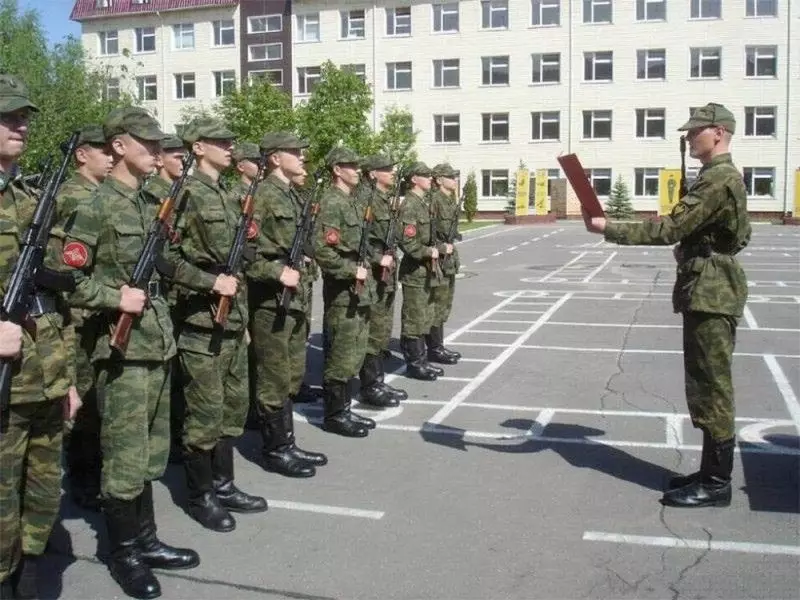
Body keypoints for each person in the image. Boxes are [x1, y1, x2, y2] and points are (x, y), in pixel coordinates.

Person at [61, 107, 201, 599]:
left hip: (155, 343)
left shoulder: (147, 205)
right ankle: (123, 555)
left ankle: (147, 539)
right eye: (150, 144)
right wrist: (113, 298)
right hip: (119, 352)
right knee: (124, 457)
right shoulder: (94, 206)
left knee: (151, 452)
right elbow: (65, 279)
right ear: (119, 145)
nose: (159, 153)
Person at [582, 102, 750, 508]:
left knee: (712, 386)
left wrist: (610, 229)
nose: (689, 137)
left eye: (696, 131)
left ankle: (716, 483)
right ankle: (711, 472)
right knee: (704, 381)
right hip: (707, 286)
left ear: (718, 133)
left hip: (711, 290)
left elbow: (672, 229)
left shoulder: (718, 179)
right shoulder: (714, 177)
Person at [0, 73, 81, 600]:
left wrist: (69, 378)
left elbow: (61, 298)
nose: (21, 125)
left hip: (46, 375)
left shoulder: (31, 195)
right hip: (5, 387)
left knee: (43, 496)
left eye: (24, 116)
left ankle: (27, 581)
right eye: (9, 117)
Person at [170, 118, 267, 531]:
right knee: (203, 413)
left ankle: (224, 484)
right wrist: (210, 282)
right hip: (200, 321)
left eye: (231, 141)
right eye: (220, 141)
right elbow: (164, 259)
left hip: (232, 319)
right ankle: (201, 494)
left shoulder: (228, 194)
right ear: (197, 148)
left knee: (232, 408)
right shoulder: (184, 194)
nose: (230, 147)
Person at [245, 132, 328, 475]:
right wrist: (276, 272)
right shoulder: (261, 196)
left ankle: (287, 443)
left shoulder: (293, 196)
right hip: (270, 304)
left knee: (291, 374)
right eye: (295, 151)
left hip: (293, 299)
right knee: (273, 378)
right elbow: (245, 255)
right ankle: (275, 450)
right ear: (276, 158)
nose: (302, 156)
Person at [56, 124, 113, 512]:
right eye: (103, 151)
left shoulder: (102, 195)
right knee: (80, 402)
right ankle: (82, 478)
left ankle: (95, 471)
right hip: (77, 316)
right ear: (82, 154)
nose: (111, 157)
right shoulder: (71, 198)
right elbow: (67, 267)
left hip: (101, 313)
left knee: (96, 397)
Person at [313, 146, 377, 437]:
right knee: (340, 355)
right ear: (337, 170)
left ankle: (345, 409)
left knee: (353, 353)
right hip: (343, 294)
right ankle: (334, 415)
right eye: (350, 166)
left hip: (360, 291)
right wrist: (351, 271)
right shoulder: (331, 202)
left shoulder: (350, 201)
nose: (357, 170)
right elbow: (322, 250)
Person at [356, 154, 408, 405]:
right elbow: (359, 240)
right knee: (373, 331)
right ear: (373, 173)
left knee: (382, 330)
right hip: (375, 275)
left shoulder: (384, 199)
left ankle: (378, 382)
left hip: (386, 275)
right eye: (386, 169)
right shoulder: (365, 200)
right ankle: (369, 386)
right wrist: (377, 259)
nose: (392, 172)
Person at [397, 162, 445, 381]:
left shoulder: (422, 203)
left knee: (425, 315)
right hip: (415, 271)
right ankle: (415, 364)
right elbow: (407, 242)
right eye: (425, 175)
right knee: (414, 319)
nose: (429, 179)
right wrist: (429, 251)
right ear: (414, 179)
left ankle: (422, 359)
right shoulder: (410, 205)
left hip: (426, 270)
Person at [428, 163, 463, 365]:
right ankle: (434, 348)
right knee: (438, 304)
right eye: (450, 177)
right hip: (440, 259)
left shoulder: (449, 200)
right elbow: (433, 231)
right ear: (439, 179)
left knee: (444, 305)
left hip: (449, 259)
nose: (454, 180)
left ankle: (438, 345)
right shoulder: (435, 201)